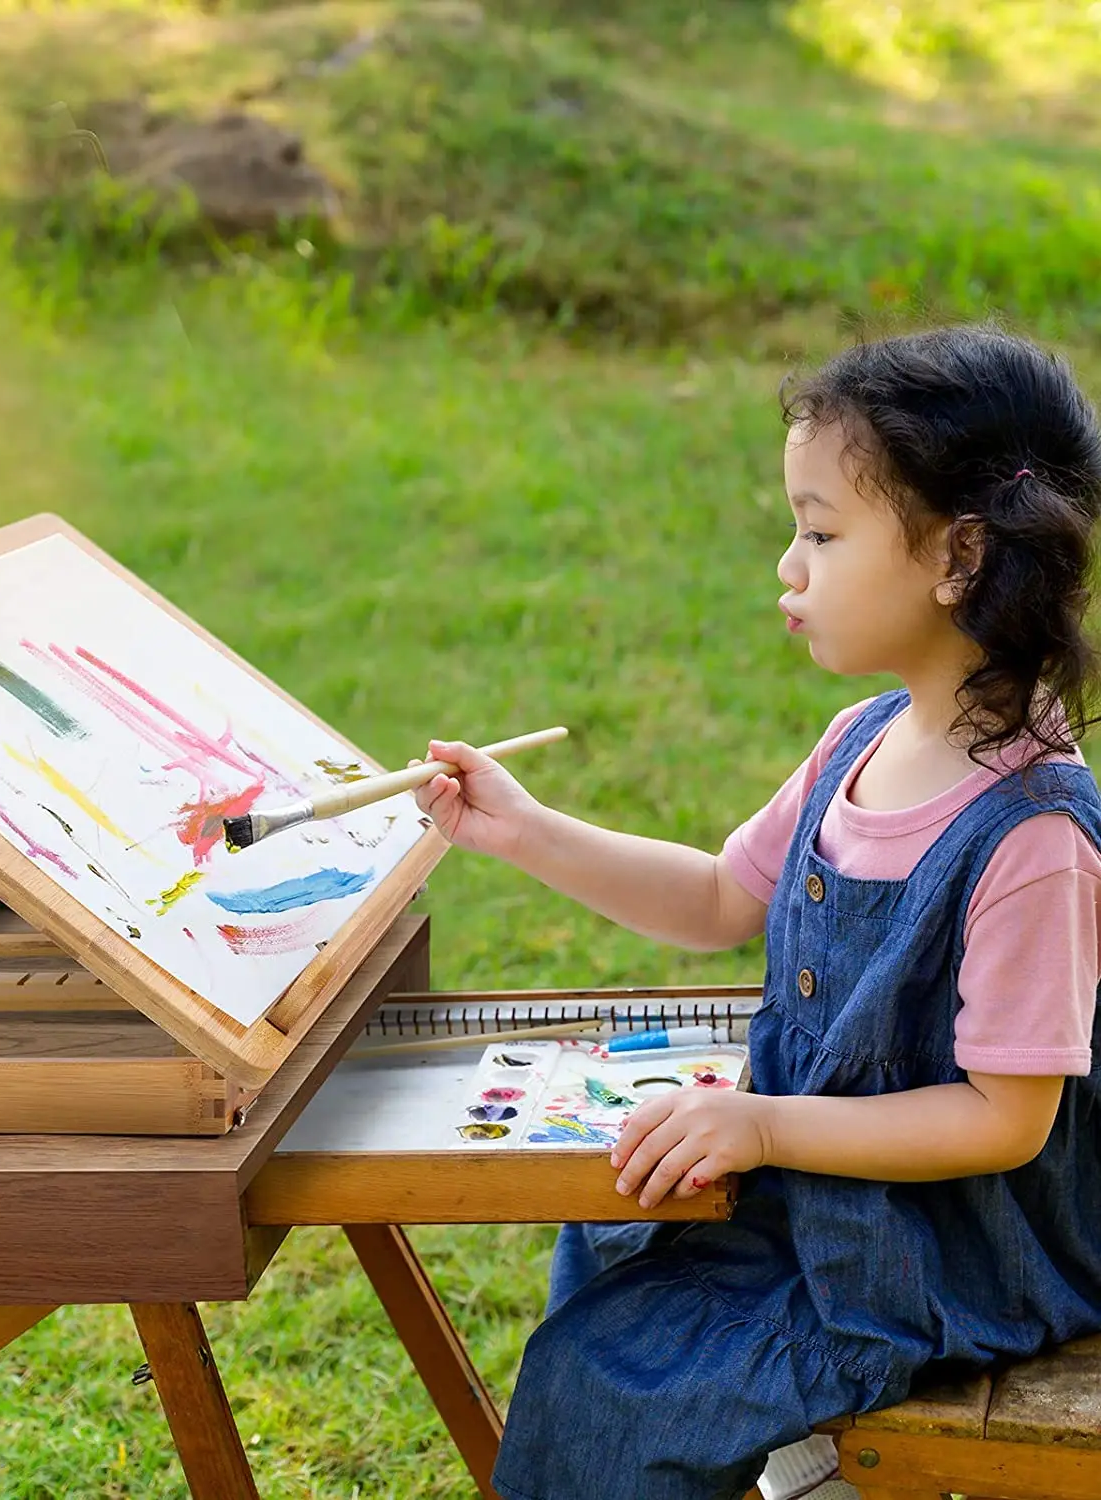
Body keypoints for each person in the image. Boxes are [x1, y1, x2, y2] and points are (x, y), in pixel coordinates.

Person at [413, 325, 1101, 1500]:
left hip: (950, 1253)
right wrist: (524, 829)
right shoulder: (862, 743)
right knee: (616, 1240)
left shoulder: (1035, 835)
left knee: (608, 1381)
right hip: (821, 1202)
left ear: (959, 556)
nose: (788, 564)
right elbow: (721, 897)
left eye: (822, 532)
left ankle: (795, 1464)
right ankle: (781, 1460)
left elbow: (1004, 1122)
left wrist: (768, 1127)